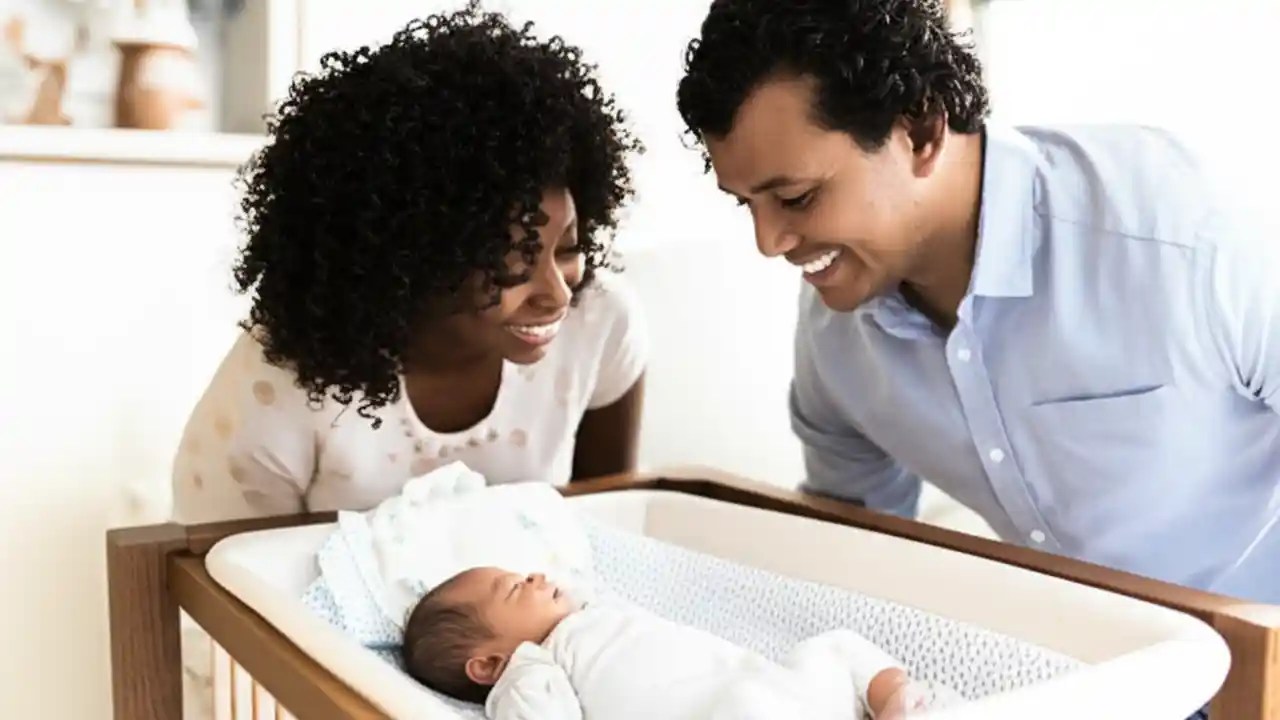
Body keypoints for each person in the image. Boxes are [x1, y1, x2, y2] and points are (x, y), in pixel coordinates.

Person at [674, 0, 1279, 621]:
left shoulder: (1181, 238)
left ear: (921, 131)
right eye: (746, 204)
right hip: (1088, 671)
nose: (768, 242)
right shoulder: (835, 336)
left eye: (795, 197)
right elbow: (851, 556)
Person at [170, 3, 648, 527]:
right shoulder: (279, 383)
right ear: (415, 252)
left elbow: (604, 535)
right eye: (512, 260)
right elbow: (225, 588)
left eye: (566, 249)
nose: (556, 294)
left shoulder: (599, 324)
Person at [402, 566, 960, 719]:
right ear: (487, 663)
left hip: (765, 683)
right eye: (513, 586)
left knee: (834, 646)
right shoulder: (528, 672)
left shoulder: (588, 614)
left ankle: (897, 699)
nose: (536, 576)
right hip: (727, 708)